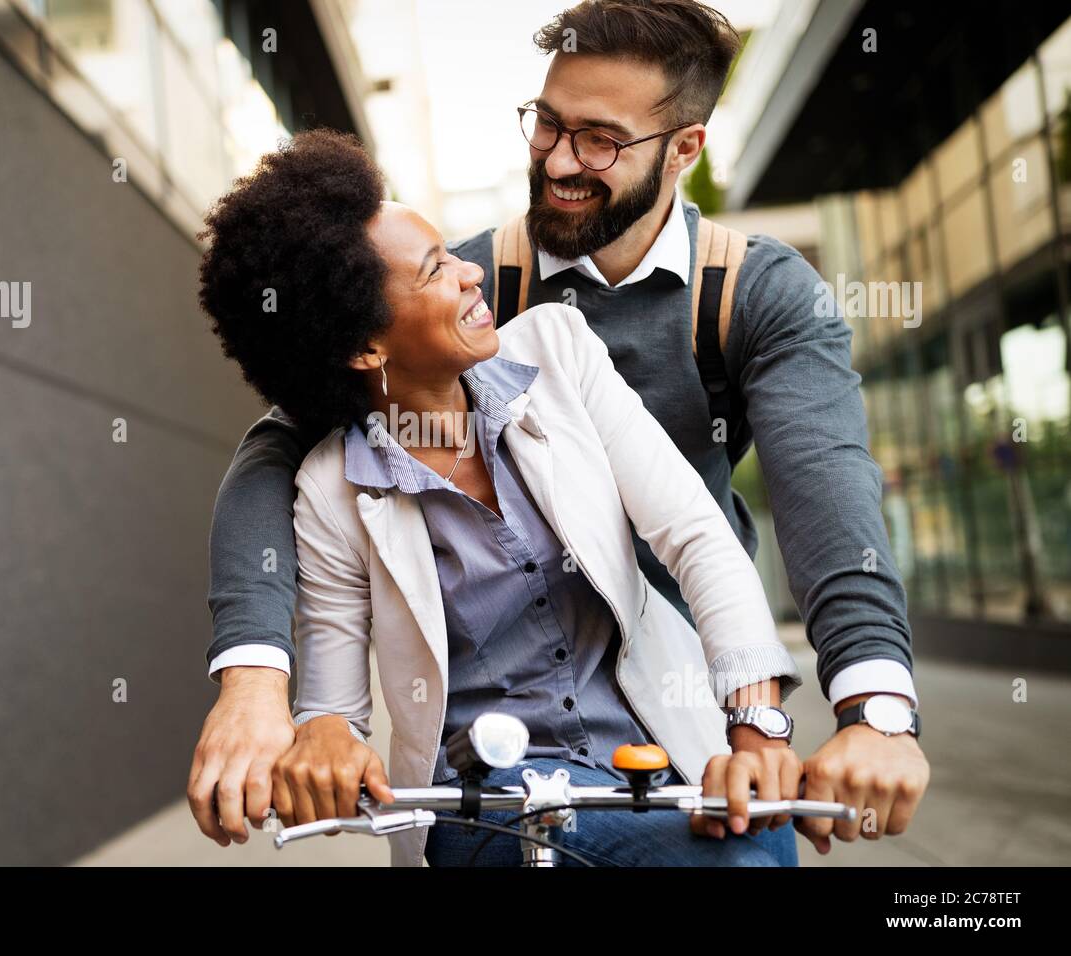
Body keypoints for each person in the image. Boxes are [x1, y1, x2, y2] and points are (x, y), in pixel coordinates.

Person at [189, 0, 928, 859]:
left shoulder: (743, 296)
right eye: (547, 124)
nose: (559, 160)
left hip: (689, 714)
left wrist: (864, 711)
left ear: (685, 148)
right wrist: (257, 683)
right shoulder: (459, 291)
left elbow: (818, 506)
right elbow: (285, 447)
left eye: (600, 139)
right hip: (497, 789)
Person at [195, 127, 802, 866]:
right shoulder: (331, 489)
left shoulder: (560, 352)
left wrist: (755, 725)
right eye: (433, 271)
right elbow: (334, 704)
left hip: (660, 757)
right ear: (366, 350)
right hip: (490, 807)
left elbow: (697, 537)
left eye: (450, 252)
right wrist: (323, 735)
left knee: (760, 848)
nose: (469, 275)